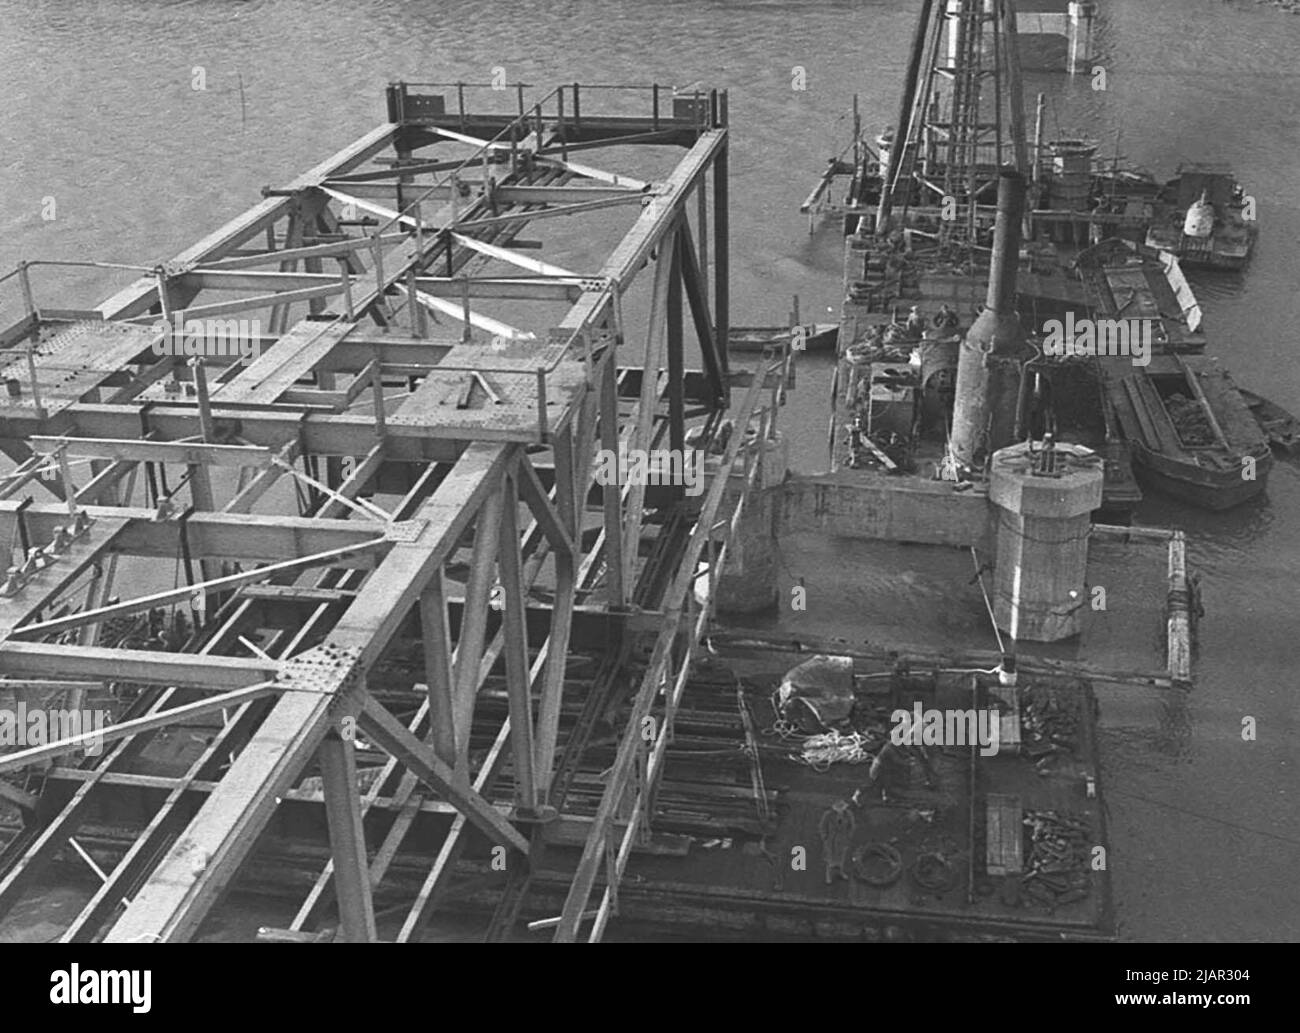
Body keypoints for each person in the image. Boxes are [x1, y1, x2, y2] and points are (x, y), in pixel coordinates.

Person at [819, 799, 856, 884]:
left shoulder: (848, 815)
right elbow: (822, 827)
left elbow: (852, 826)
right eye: (838, 808)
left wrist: (848, 837)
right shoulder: (828, 815)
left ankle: (841, 872)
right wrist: (825, 837)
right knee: (830, 859)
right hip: (831, 841)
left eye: (842, 808)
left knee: (841, 858)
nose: (840, 810)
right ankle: (828, 876)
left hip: (843, 840)